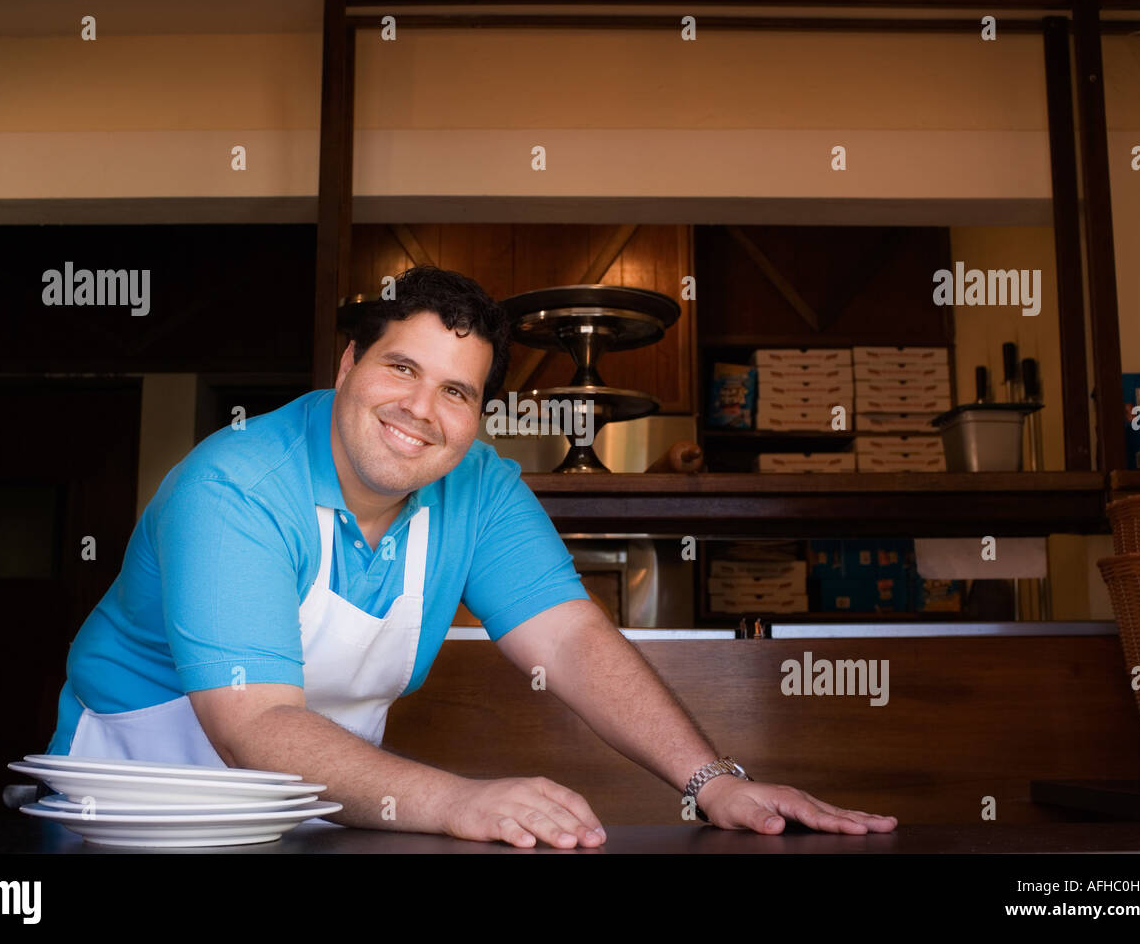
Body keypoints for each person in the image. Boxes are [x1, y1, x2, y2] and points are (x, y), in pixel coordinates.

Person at [46, 265, 898, 848]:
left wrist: (712, 783)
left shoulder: (479, 488)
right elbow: (256, 726)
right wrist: (460, 801)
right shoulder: (235, 487)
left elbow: (569, 641)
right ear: (349, 364)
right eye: (400, 368)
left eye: (456, 390)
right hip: (140, 810)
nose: (420, 409)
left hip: (318, 818)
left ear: (480, 412)